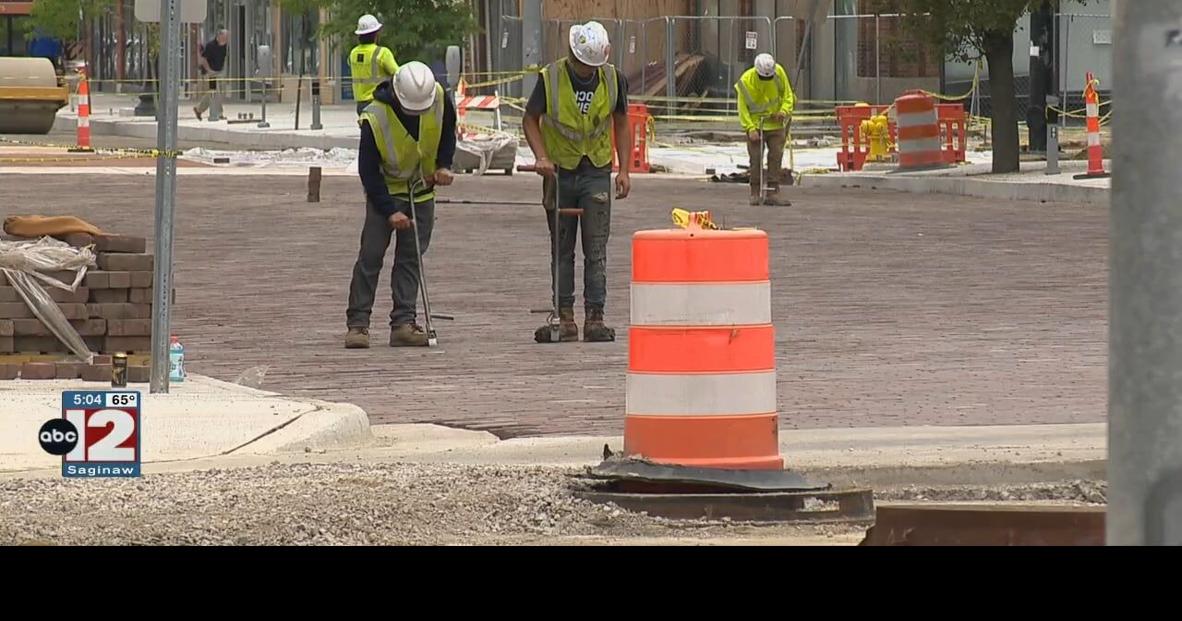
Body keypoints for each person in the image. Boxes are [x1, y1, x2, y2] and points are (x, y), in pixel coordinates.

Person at [522, 21, 631, 344]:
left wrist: (624, 170)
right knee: (562, 248)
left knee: (596, 249)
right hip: (560, 172)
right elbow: (530, 119)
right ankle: (565, 317)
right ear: (572, 55)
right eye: (583, 63)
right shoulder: (551, 78)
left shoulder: (613, 79)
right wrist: (541, 156)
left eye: (593, 65)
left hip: (596, 169)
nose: (588, 70)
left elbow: (622, 123)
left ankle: (595, 317)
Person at [345, 62, 457, 349]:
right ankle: (358, 325)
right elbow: (368, 171)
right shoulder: (375, 117)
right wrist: (388, 209)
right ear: (397, 96)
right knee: (370, 257)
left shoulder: (439, 99)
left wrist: (444, 166)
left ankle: (403, 323)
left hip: (420, 192)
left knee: (410, 259)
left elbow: (447, 134)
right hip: (386, 192)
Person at [736, 52, 796, 206]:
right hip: (756, 125)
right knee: (755, 159)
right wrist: (750, 128)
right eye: (764, 77)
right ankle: (755, 192)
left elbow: (788, 95)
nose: (767, 80)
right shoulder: (746, 81)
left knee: (775, 157)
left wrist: (783, 111)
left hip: (776, 124)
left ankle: (772, 192)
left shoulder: (778, 72)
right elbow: (742, 108)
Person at [348, 14, 400, 115]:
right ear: (376, 34)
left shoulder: (353, 53)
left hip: (361, 106)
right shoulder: (382, 52)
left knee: (367, 130)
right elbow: (398, 74)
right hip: (378, 104)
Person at [194, 29, 229, 121]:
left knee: (220, 92)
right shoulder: (210, 45)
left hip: (219, 72)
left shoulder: (225, 46)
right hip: (210, 72)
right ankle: (216, 114)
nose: (226, 39)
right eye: (225, 37)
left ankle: (199, 109)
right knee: (214, 92)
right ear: (219, 36)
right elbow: (203, 59)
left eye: (227, 38)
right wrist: (209, 70)